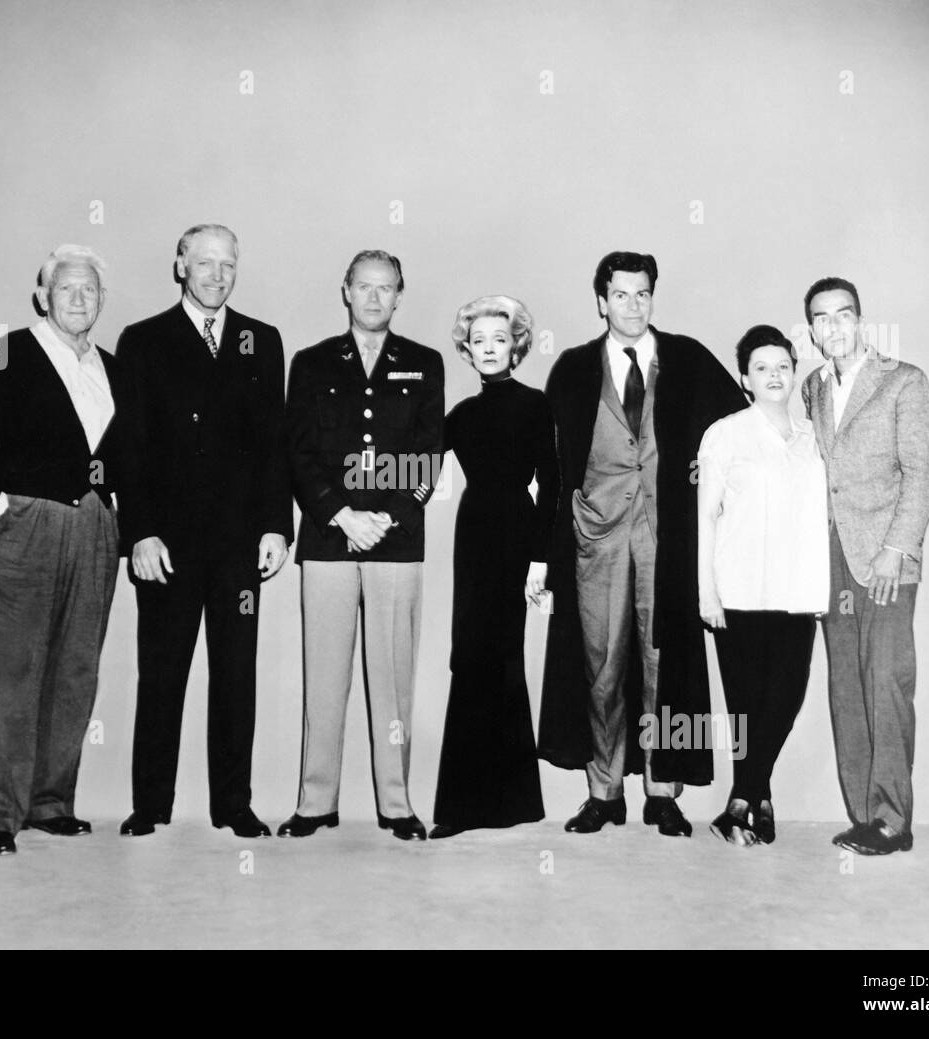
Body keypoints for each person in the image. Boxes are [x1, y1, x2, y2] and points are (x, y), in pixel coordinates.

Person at [540, 251, 747, 837]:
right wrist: (550, 552)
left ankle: (663, 792)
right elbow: (552, 469)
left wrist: (709, 483)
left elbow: (739, 428)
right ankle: (603, 793)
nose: (633, 306)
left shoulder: (688, 359)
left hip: (667, 539)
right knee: (600, 664)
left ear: (653, 298)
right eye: (622, 295)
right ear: (601, 301)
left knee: (666, 661)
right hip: (596, 539)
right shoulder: (574, 369)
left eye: (643, 294)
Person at [114, 225, 292, 839]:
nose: (217, 275)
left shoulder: (261, 341)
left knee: (236, 674)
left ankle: (233, 805)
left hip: (240, 545)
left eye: (228, 264)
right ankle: (150, 804)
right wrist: (139, 533)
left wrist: (277, 527)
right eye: (205, 262)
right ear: (180, 266)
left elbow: (275, 444)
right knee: (161, 672)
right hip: (167, 544)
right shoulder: (143, 340)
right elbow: (129, 446)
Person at [0, 244, 124, 856]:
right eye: (66, 290)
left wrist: (117, 517)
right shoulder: (10, 354)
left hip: (94, 528)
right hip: (24, 525)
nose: (78, 300)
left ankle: (51, 803)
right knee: (5, 671)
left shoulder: (112, 366)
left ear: (101, 300)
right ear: (43, 297)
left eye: (89, 291)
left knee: (75, 669)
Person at [279, 250, 444, 841]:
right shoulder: (311, 361)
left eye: (387, 288)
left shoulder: (424, 363)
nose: (375, 298)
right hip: (327, 537)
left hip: (397, 542)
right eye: (364, 287)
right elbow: (297, 452)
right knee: (323, 675)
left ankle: (397, 805)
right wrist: (344, 514)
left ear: (400, 295)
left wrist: (385, 518)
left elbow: (427, 456)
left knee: (393, 678)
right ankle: (315, 800)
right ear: (345, 290)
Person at [801, 277, 929, 856]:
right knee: (846, 689)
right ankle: (862, 815)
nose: (833, 327)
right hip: (829, 559)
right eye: (822, 318)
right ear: (810, 328)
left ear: (862, 321)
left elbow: (923, 473)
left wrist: (896, 548)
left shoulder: (903, 381)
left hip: (883, 559)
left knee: (885, 683)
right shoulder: (810, 387)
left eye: (843, 315)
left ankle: (892, 821)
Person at [429, 296, 555, 838]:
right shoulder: (460, 415)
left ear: (516, 346)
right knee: (468, 658)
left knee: (504, 661)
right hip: (473, 533)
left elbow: (551, 485)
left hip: (517, 534)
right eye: (478, 340)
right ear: (466, 348)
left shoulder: (535, 405)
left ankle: (512, 804)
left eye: (498, 339)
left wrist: (540, 559)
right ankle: (462, 809)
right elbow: (414, 471)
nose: (487, 348)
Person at [697, 325, 829, 845]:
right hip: (741, 590)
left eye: (782, 366)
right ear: (744, 378)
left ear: (794, 371)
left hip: (798, 592)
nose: (773, 376)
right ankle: (755, 798)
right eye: (761, 368)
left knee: (786, 698)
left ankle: (745, 797)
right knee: (747, 705)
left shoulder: (814, 437)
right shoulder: (725, 433)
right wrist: (707, 592)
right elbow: (706, 517)